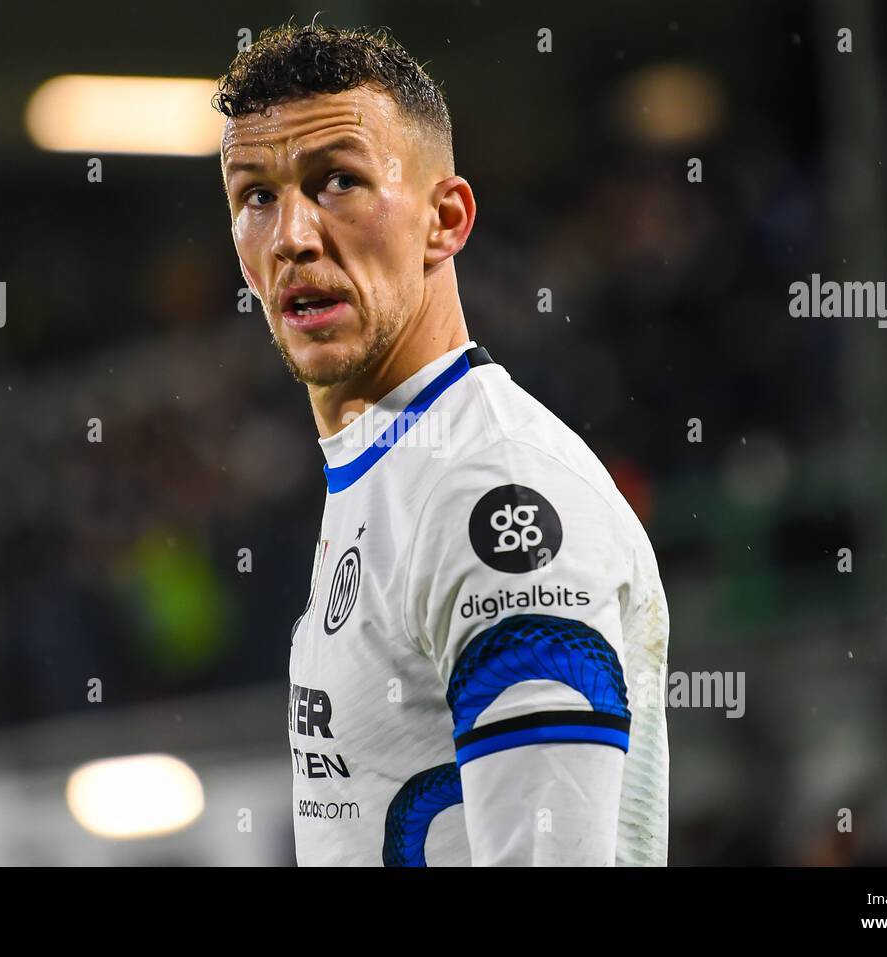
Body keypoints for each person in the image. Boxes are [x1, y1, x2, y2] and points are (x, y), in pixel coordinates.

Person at [214, 21, 669, 866]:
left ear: (445, 220)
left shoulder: (489, 492)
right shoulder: (385, 473)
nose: (292, 238)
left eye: (338, 181)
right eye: (256, 196)